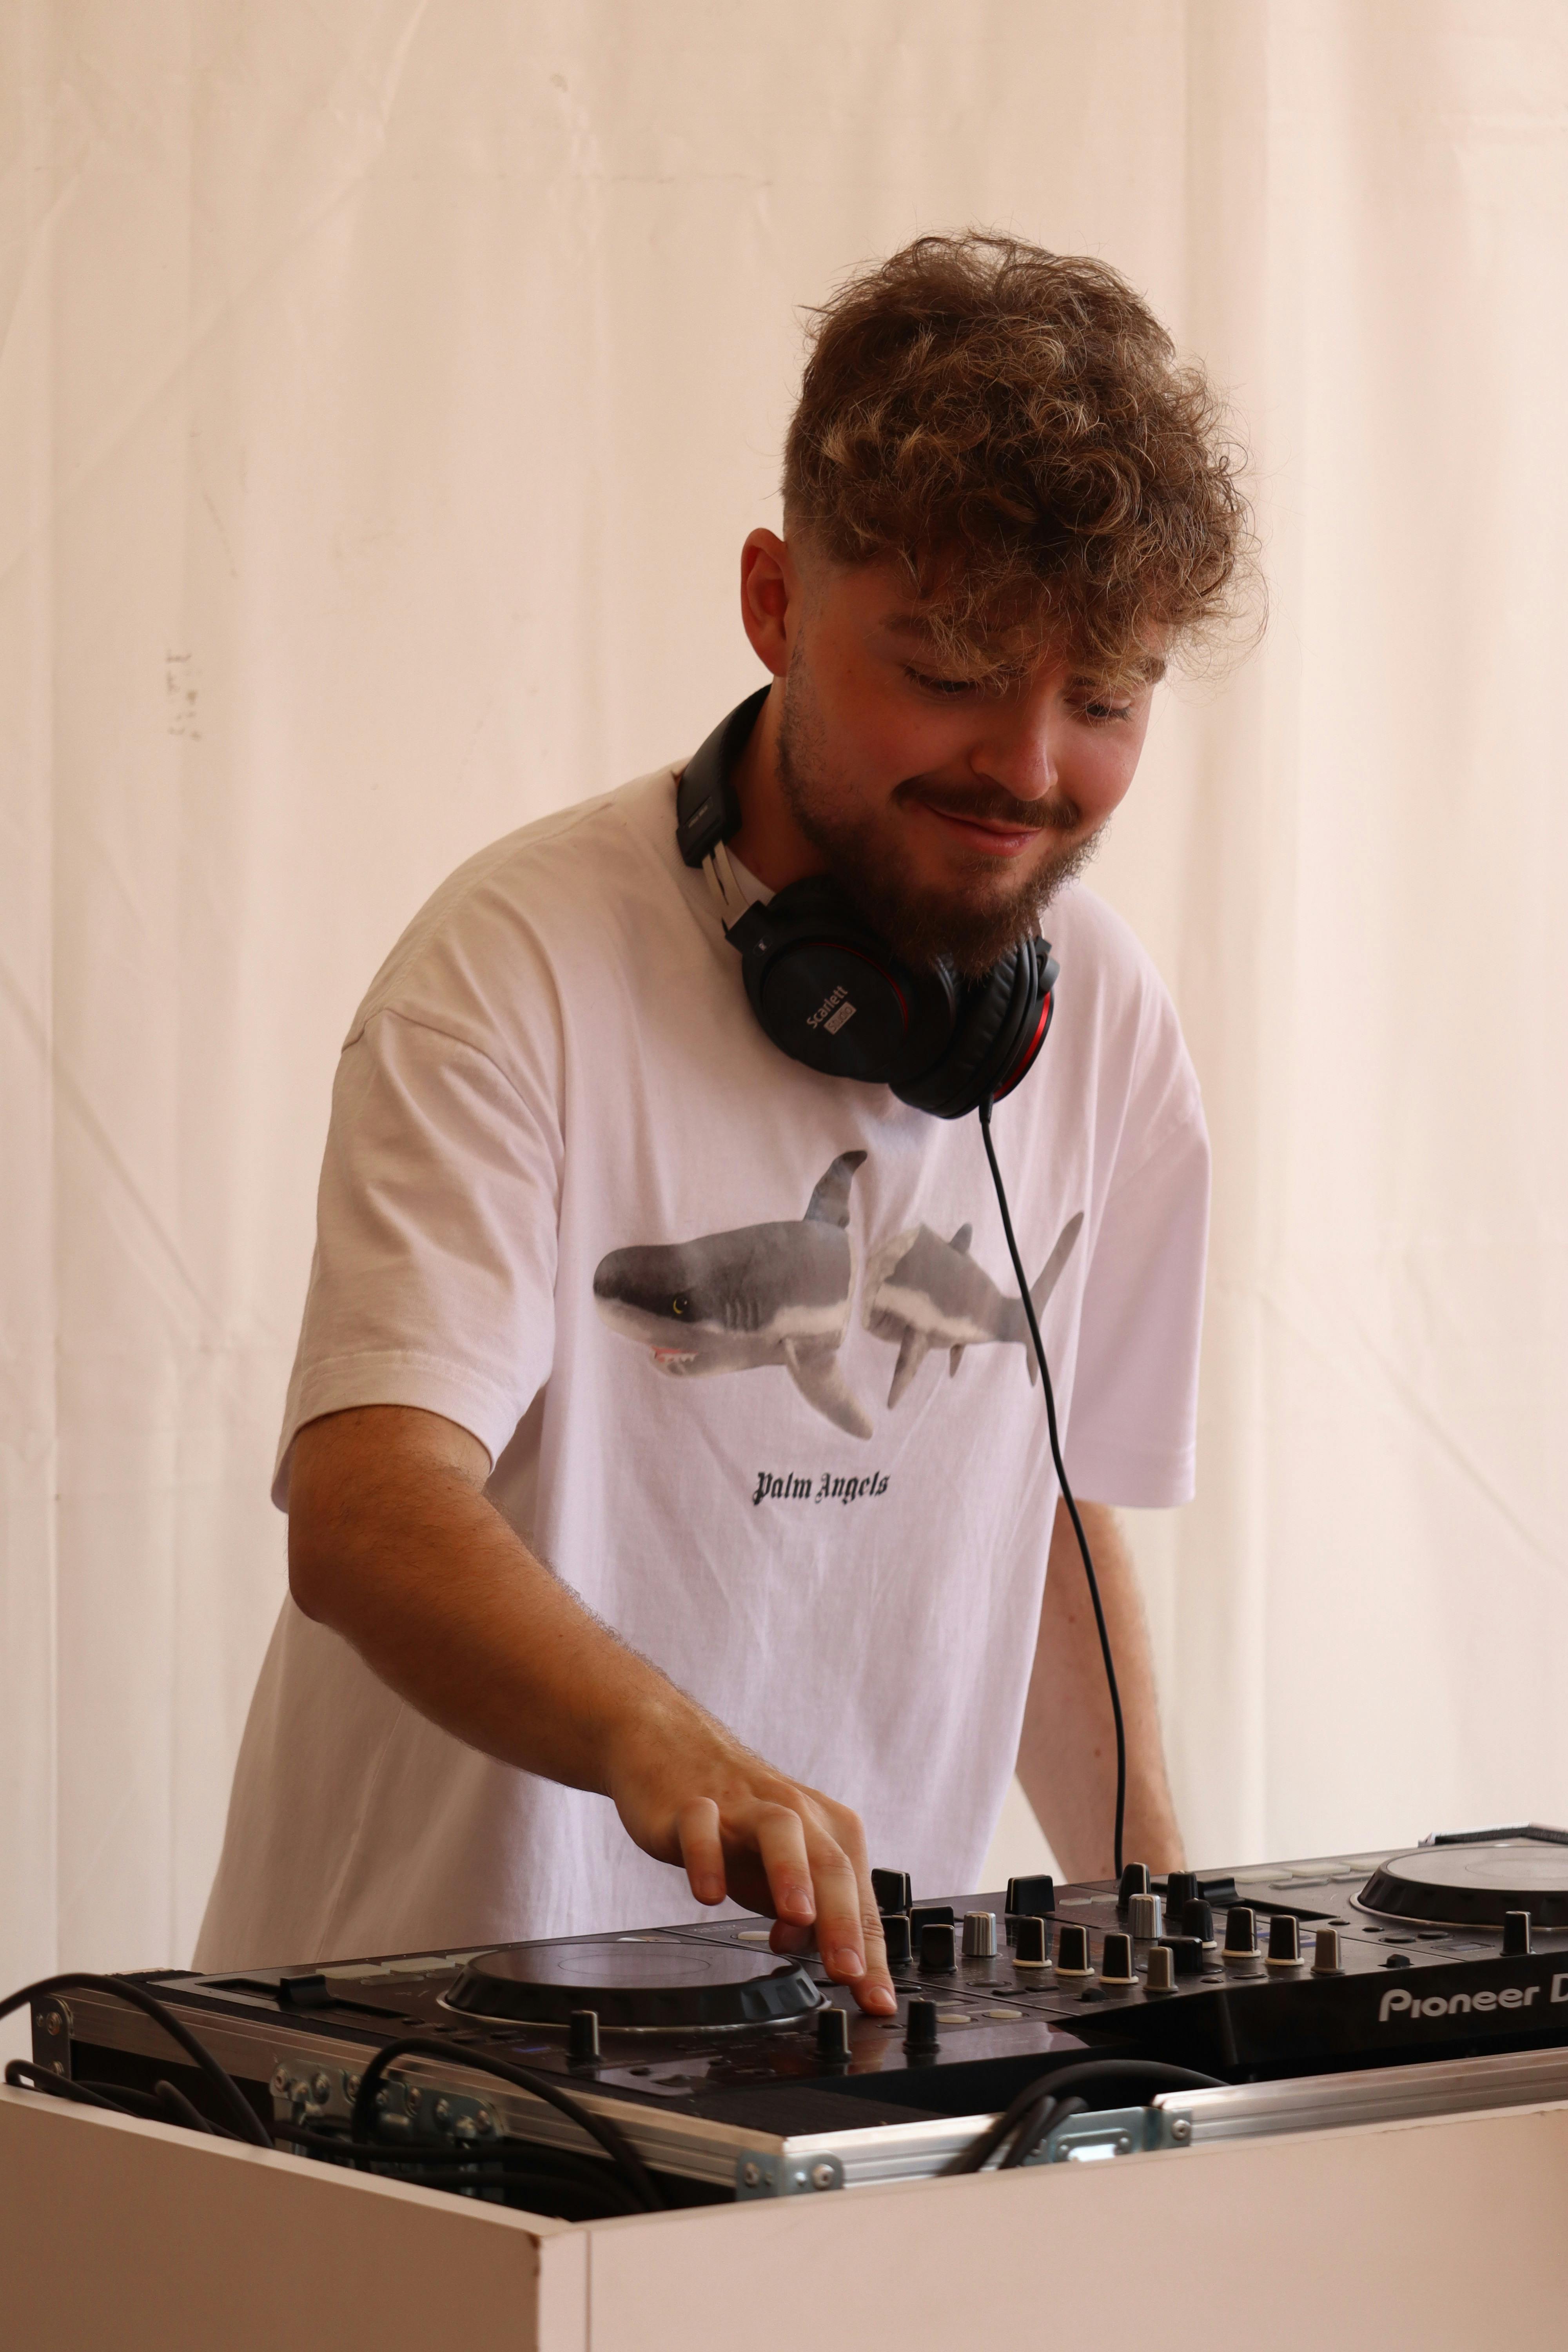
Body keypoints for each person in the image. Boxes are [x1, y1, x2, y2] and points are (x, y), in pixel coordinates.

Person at [196, 233, 1252, 2018]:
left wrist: (1163, 1924)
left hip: (850, 2053)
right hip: (416, 2052)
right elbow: (367, 1502)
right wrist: (668, 1749)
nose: (1027, 767)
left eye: (1104, 701)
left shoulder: (1103, 1013)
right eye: (947, 667)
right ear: (773, 602)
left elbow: (1043, 1514)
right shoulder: (513, 967)